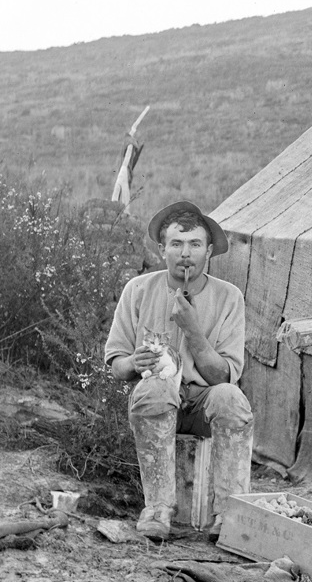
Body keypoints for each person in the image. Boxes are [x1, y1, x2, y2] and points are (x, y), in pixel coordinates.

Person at [105, 200, 254, 541]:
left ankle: (229, 515)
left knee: (232, 398)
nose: (185, 254)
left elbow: (223, 376)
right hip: (155, 401)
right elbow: (117, 364)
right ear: (162, 249)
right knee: (156, 388)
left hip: (204, 402)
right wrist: (133, 363)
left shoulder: (229, 297)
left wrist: (193, 330)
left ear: (210, 250)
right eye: (176, 244)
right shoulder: (139, 290)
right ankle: (158, 509)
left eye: (195, 245)